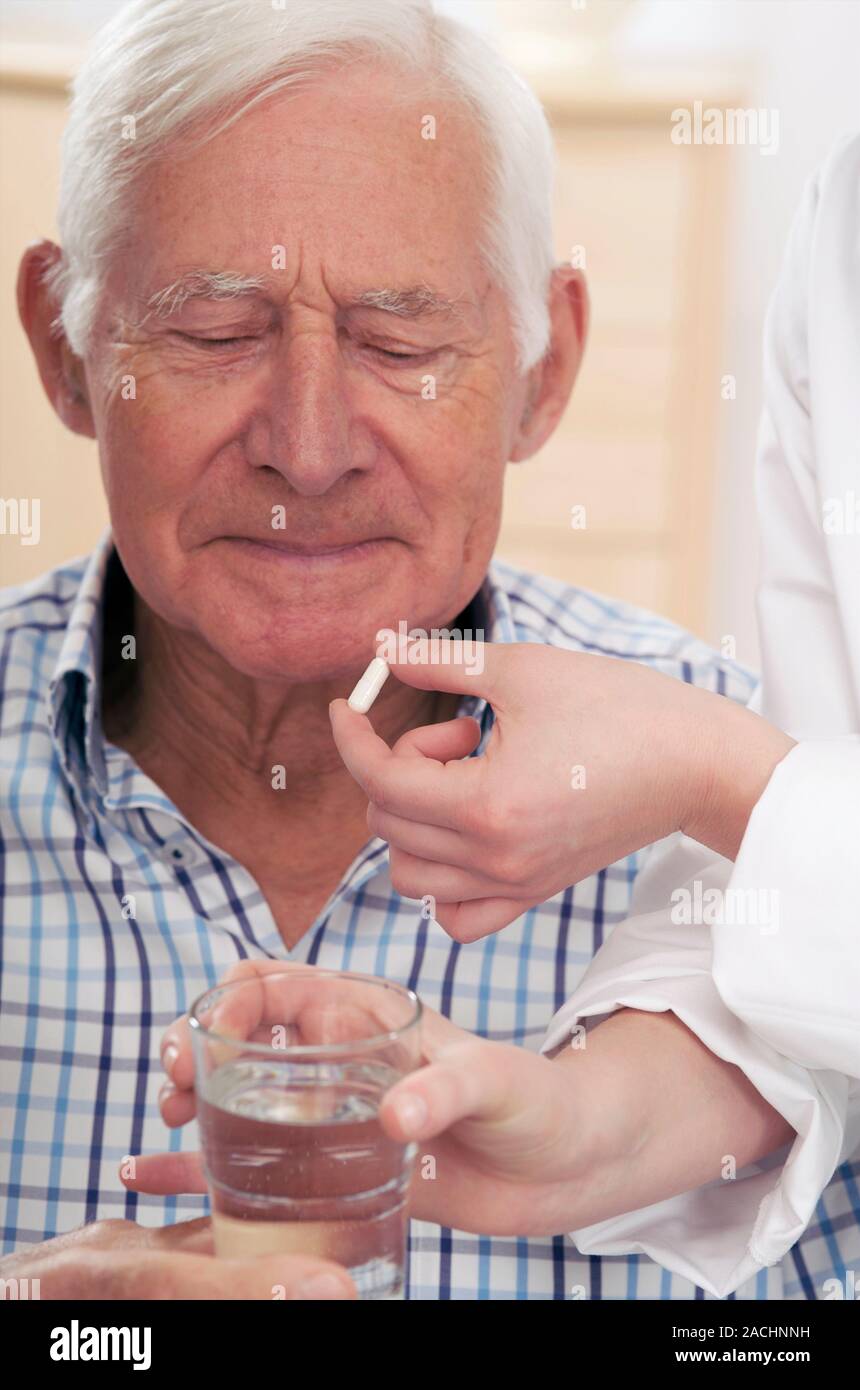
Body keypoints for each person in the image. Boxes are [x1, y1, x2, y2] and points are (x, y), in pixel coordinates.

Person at [0, 0, 850, 1302]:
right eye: (215, 334)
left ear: (545, 367)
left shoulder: (749, 800)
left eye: (402, 345)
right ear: (63, 345)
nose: (310, 441)